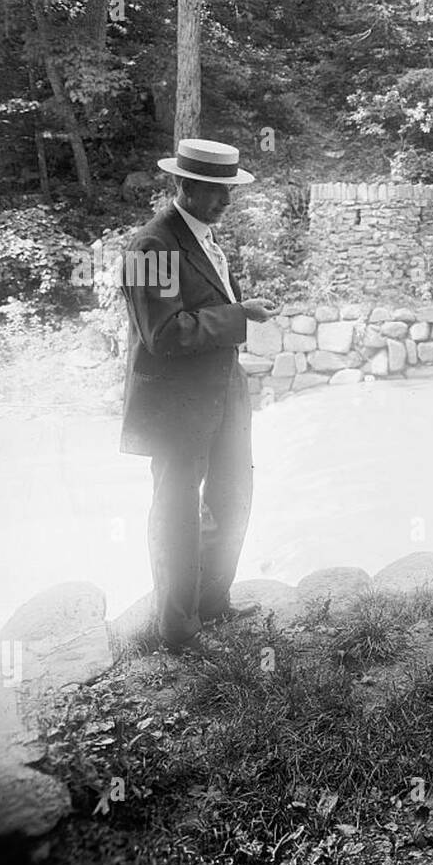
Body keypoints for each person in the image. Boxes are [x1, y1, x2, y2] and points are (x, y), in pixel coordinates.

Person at [119, 139, 278, 653]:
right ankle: (178, 628)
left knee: (232, 496)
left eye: (228, 190)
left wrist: (237, 310)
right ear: (183, 186)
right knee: (176, 509)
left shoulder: (206, 239)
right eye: (214, 191)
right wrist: (240, 315)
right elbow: (162, 334)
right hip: (176, 402)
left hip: (223, 388)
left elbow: (203, 309)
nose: (225, 202)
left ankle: (212, 601)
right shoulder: (150, 247)